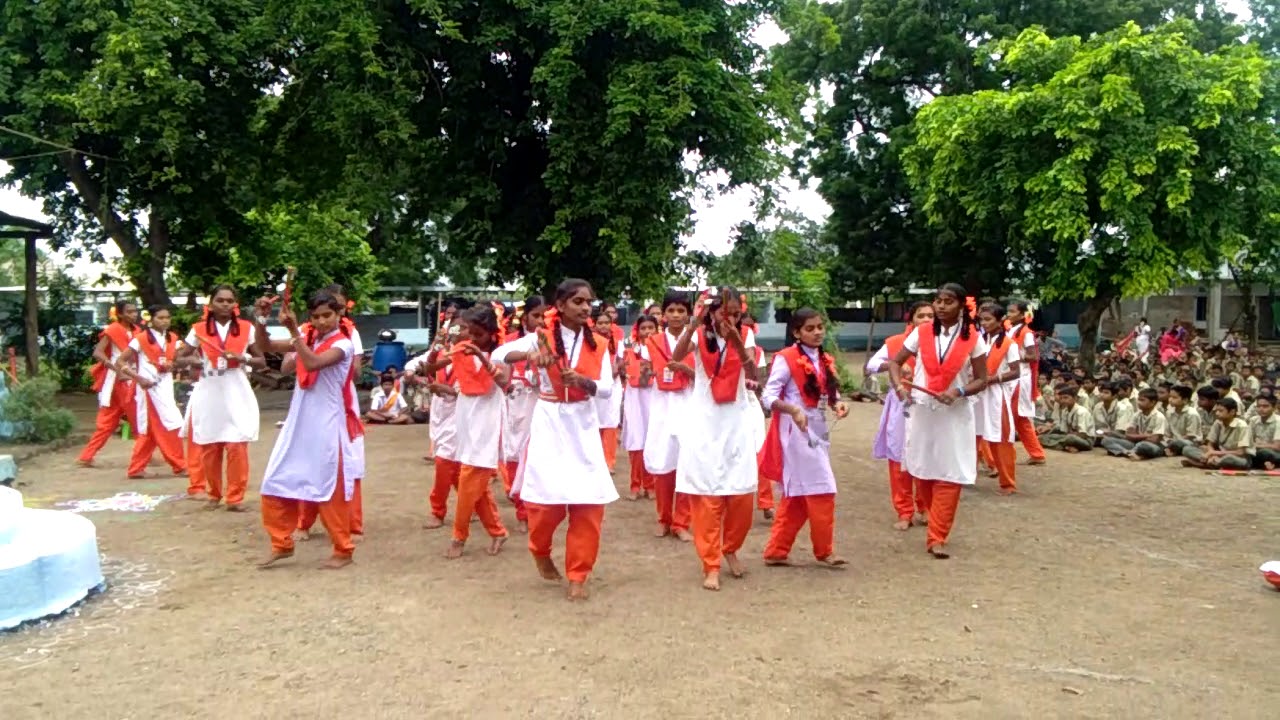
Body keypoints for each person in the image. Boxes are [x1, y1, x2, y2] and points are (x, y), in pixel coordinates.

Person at [492, 279, 617, 601]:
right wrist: (531, 356)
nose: (585, 307)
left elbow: (606, 388)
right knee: (546, 505)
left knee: (589, 505)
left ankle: (579, 575)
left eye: (588, 302)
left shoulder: (599, 343)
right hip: (550, 421)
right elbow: (499, 354)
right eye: (577, 301)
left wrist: (584, 382)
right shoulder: (540, 338)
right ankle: (539, 549)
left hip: (584, 424)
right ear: (559, 306)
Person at [668, 288, 764, 590]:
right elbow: (676, 356)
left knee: (740, 497)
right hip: (704, 423)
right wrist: (694, 324)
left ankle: (731, 548)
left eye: (736, 312)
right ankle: (710, 564)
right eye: (725, 311)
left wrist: (735, 337)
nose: (731, 317)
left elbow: (755, 374)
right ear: (712, 311)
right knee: (707, 497)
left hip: (736, 421)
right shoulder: (699, 334)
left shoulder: (745, 334)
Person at [257, 291, 359, 569]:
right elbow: (264, 345)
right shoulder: (309, 338)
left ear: (340, 315)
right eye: (316, 316)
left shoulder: (344, 345)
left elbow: (313, 362)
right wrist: (261, 317)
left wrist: (294, 332)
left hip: (328, 423)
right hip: (299, 422)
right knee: (275, 480)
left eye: (327, 315)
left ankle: (343, 550)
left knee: (330, 488)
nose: (322, 321)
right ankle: (281, 543)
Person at [889, 284, 989, 559]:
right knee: (923, 470)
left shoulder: (974, 338)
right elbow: (895, 363)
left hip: (954, 414)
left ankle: (938, 536)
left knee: (950, 472)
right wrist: (899, 387)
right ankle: (934, 522)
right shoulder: (921, 333)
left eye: (948, 301)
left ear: (961, 307)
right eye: (938, 301)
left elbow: (982, 378)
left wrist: (959, 391)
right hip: (923, 411)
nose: (942, 306)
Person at [759, 308, 850, 567]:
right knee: (823, 488)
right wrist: (793, 409)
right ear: (797, 333)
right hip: (795, 432)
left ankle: (776, 551)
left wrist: (838, 404)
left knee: (798, 494)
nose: (817, 332)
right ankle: (825, 551)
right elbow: (768, 396)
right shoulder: (786, 358)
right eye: (810, 329)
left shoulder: (824, 359)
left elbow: (828, 393)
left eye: (820, 327)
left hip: (817, 429)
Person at [176, 286, 264, 511]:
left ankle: (235, 498)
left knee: (236, 446)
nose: (225, 304)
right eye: (220, 300)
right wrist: (195, 361)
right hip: (209, 390)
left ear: (235, 304)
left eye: (229, 301)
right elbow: (180, 357)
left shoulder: (246, 328)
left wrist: (241, 357)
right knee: (210, 446)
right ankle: (213, 494)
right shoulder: (198, 330)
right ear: (211, 303)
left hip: (236, 390)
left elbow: (260, 361)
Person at [442, 304, 511, 559]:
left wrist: (482, 357)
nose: (471, 339)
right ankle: (497, 531)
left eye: (478, 335)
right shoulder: (460, 349)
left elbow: (504, 382)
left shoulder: (501, 354)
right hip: (465, 415)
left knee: (470, 477)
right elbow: (432, 368)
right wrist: (437, 351)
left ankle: (458, 537)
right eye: (467, 332)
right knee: (474, 479)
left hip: (488, 418)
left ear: (491, 334)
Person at [867, 301, 934, 529]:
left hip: (929, 406)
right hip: (902, 406)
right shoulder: (896, 343)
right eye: (921, 315)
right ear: (911, 320)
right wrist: (893, 366)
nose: (926, 320)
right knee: (898, 459)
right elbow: (872, 364)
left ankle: (925, 508)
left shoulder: (941, 344)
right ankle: (904, 512)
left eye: (930, 316)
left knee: (925, 457)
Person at [643, 291, 695, 541]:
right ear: (663, 314)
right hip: (662, 406)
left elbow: (707, 378)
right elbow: (643, 374)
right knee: (663, 463)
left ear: (689, 315)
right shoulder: (651, 341)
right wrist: (644, 373)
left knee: (686, 463)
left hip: (688, 403)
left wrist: (687, 369)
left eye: (681, 311)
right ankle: (663, 519)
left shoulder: (697, 341)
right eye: (671, 310)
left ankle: (681, 522)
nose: (675, 315)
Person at [112, 306, 187, 479]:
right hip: (148, 389)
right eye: (160, 318)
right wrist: (138, 378)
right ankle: (179, 465)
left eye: (167, 317)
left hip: (165, 387)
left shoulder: (173, 339)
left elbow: (180, 359)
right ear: (151, 319)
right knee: (170, 424)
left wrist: (173, 365)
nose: (165, 321)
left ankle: (136, 468)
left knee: (150, 430)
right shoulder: (140, 339)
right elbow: (120, 361)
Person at [500, 296, 546, 533]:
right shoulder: (510, 342)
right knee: (515, 452)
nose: (540, 320)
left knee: (538, 454)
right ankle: (522, 510)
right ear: (525, 316)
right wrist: (511, 385)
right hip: (517, 404)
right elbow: (502, 376)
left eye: (543, 316)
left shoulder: (551, 341)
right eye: (535, 315)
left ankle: (538, 508)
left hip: (544, 403)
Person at [77, 300, 140, 467]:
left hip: (133, 377)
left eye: (135, 311)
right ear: (119, 314)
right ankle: (87, 456)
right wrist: (112, 365)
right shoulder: (112, 330)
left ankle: (143, 455)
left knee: (137, 418)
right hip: (116, 380)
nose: (134, 314)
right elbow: (98, 352)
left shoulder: (139, 331)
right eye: (129, 312)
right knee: (117, 420)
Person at [974, 303, 1021, 494]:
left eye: (988, 319)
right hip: (975, 393)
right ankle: (965, 475)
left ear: (1000, 321)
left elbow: (1015, 371)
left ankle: (1007, 482)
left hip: (995, 395)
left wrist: (993, 379)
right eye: (982, 319)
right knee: (970, 434)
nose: (984, 323)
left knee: (1000, 437)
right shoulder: (978, 340)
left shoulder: (1009, 344)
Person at [621, 315, 659, 500]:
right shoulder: (629, 350)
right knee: (636, 442)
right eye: (643, 328)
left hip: (653, 397)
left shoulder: (661, 351)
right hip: (634, 398)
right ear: (637, 330)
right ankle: (635, 485)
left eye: (651, 328)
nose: (647, 332)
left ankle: (651, 485)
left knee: (651, 441)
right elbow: (622, 371)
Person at [1006, 299, 1046, 465]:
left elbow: (1033, 356)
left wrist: (1013, 356)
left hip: (1020, 379)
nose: (1009, 314)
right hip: (1012, 378)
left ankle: (1033, 454)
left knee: (1014, 416)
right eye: (1008, 311)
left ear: (1022, 315)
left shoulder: (1026, 333)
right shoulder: (1010, 330)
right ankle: (1036, 454)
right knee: (1018, 418)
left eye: (1013, 312)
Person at [592, 308, 625, 473]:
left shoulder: (618, 342)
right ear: (595, 324)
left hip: (613, 385)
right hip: (595, 387)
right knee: (595, 422)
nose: (604, 326)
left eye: (606, 323)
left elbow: (621, 361)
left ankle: (609, 462)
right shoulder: (590, 342)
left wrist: (615, 369)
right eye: (600, 323)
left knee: (611, 422)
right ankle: (596, 461)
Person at [1180, 398, 1253, 470]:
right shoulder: (1218, 422)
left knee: (1229, 459)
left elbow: (1240, 452)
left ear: (1232, 412)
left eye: (1221, 411)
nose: (1217, 413)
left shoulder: (1242, 426)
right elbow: (1210, 443)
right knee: (1187, 449)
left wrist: (1213, 453)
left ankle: (1203, 464)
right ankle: (1212, 463)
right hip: (1218, 455)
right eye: (1217, 411)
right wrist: (1212, 454)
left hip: (1239, 458)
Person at [1101, 388, 1167, 460]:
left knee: (1143, 446)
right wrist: (1146, 435)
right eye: (1138, 399)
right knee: (1106, 440)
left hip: (1153, 446)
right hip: (1135, 443)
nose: (1138, 402)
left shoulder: (1159, 417)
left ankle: (1127, 452)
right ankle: (1127, 453)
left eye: (1142, 400)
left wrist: (1136, 436)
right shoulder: (1137, 415)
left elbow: (1154, 440)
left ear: (1152, 402)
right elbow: (1128, 435)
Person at [1163, 385, 1203, 457]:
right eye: (1170, 397)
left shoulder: (1191, 414)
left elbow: (1190, 436)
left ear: (1185, 400)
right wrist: (1169, 441)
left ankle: (1171, 449)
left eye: (1174, 397)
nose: (1170, 400)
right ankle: (1171, 449)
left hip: (1189, 442)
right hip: (1173, 441)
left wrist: (1174, 442)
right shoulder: (1169, 412)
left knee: (1183, 445)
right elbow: (1167, 433)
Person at [1248, 394, 1278, 469]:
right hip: (1256, 451)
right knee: (1246, 452)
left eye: (1265, 406)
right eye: (1258, 406)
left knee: (1264, 452)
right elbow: (1248, 441)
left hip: (1275, 453)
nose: (1261, 409)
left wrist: (1258, 445)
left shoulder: (1278, 421)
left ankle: (1267, 464)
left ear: (1274, 407)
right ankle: (1267, 464)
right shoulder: (1253, 420)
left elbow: (1277, 447)